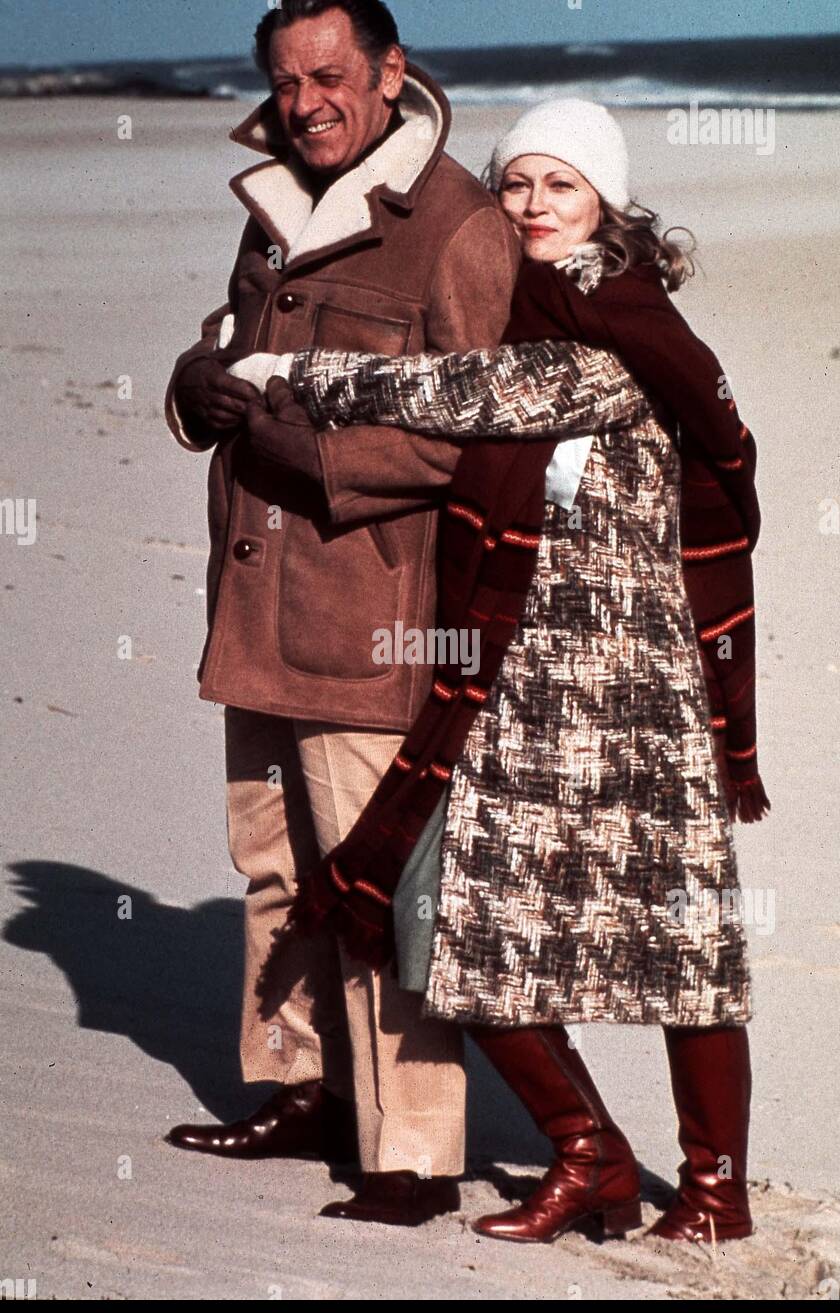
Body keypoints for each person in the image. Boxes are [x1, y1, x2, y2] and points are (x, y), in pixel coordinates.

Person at [227, 98, 770, 1243]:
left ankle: (714, 1193)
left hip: (636, 700)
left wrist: (301, 370)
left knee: (682, 951)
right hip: (521, 688)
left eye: (558, 186)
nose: (530, 205)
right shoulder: (530, 310)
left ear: (604, 203)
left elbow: (468, 395)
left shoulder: (621, 327)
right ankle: (591, 1156)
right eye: (513, 183)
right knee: (465, 931)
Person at [162, 5, 640, 1229]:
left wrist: (290, 437)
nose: (306, 101)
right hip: (255, 604)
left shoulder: (462, 229)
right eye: (284, 80)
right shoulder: (268, 199)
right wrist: (193, 380)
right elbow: (236, 341)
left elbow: (478, 429)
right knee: (273, 866)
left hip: (376, 618)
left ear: (389, 73)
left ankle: (410, 1154)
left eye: (330, 76)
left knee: (375, 883)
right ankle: (299, 1090)